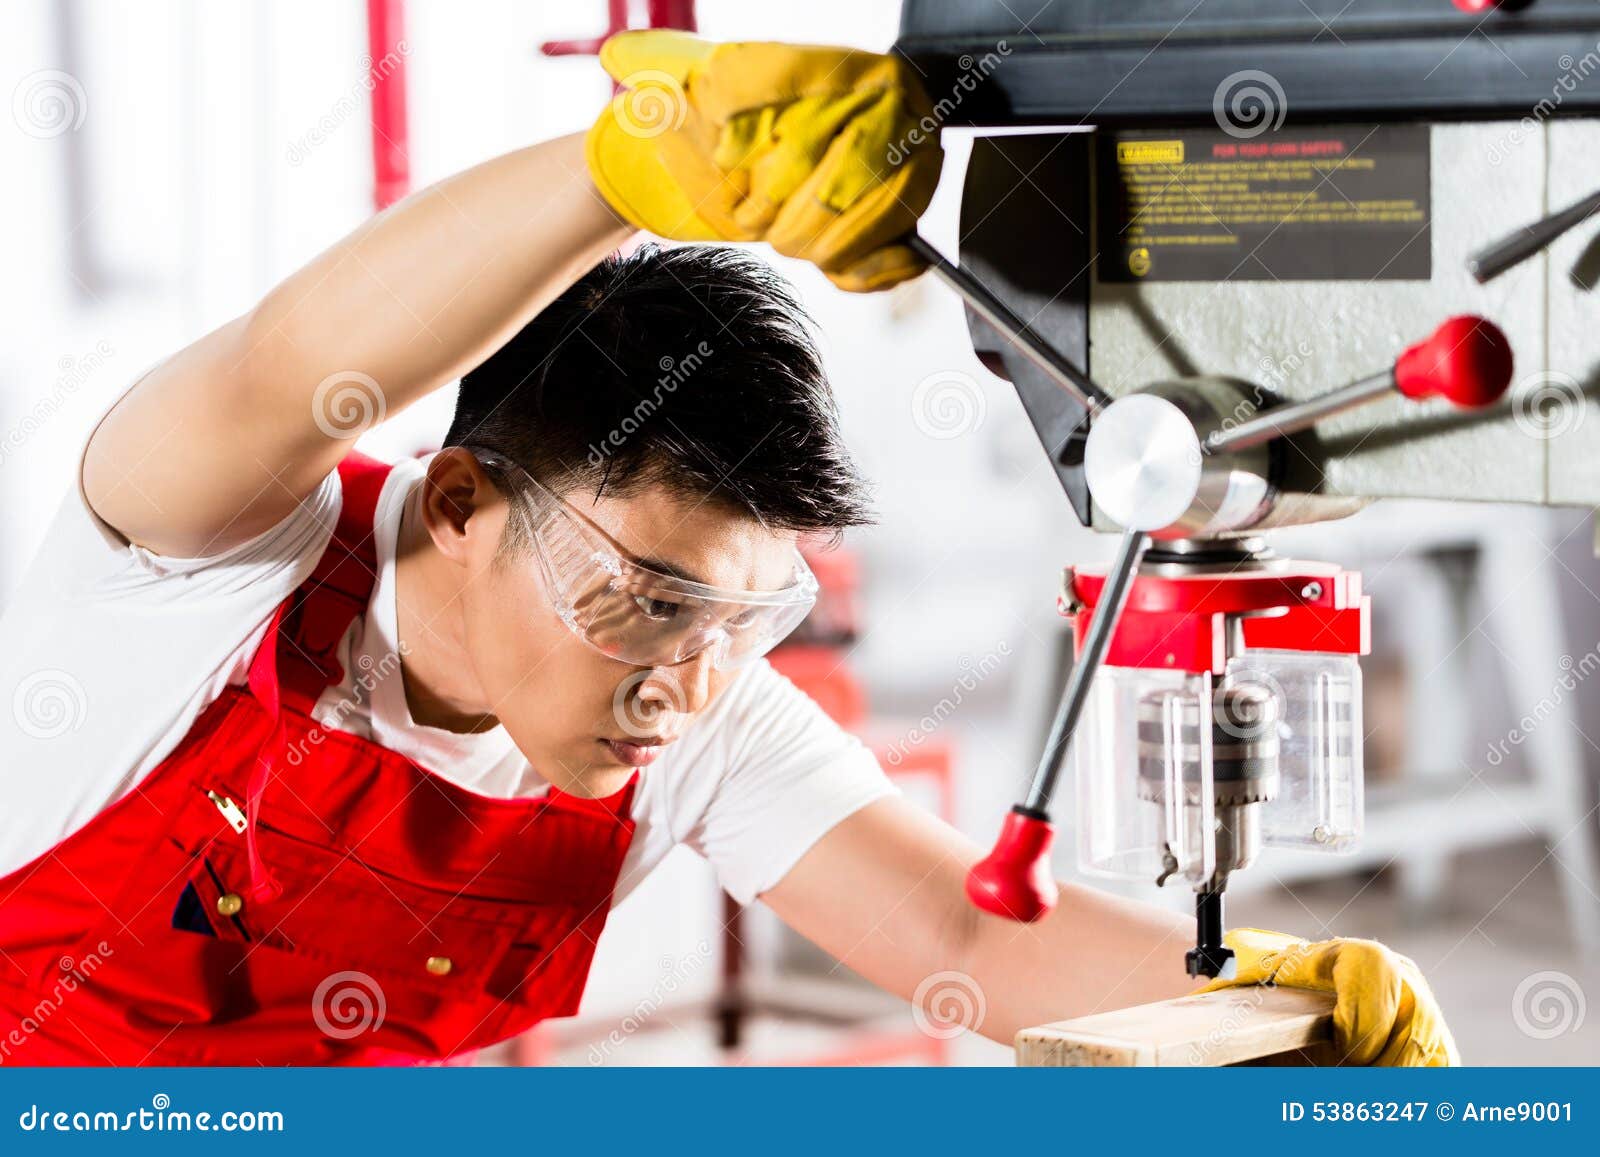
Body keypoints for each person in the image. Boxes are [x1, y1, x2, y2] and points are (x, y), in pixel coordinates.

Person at [0, 31, 1456, 1066]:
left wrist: (1277, 1001)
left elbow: (972, 944)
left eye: (742, 623)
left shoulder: (690, 698)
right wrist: (625, 172)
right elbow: (288, 362)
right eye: (649, 598)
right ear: (458, 503)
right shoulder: (200, 561)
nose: (688, 682)